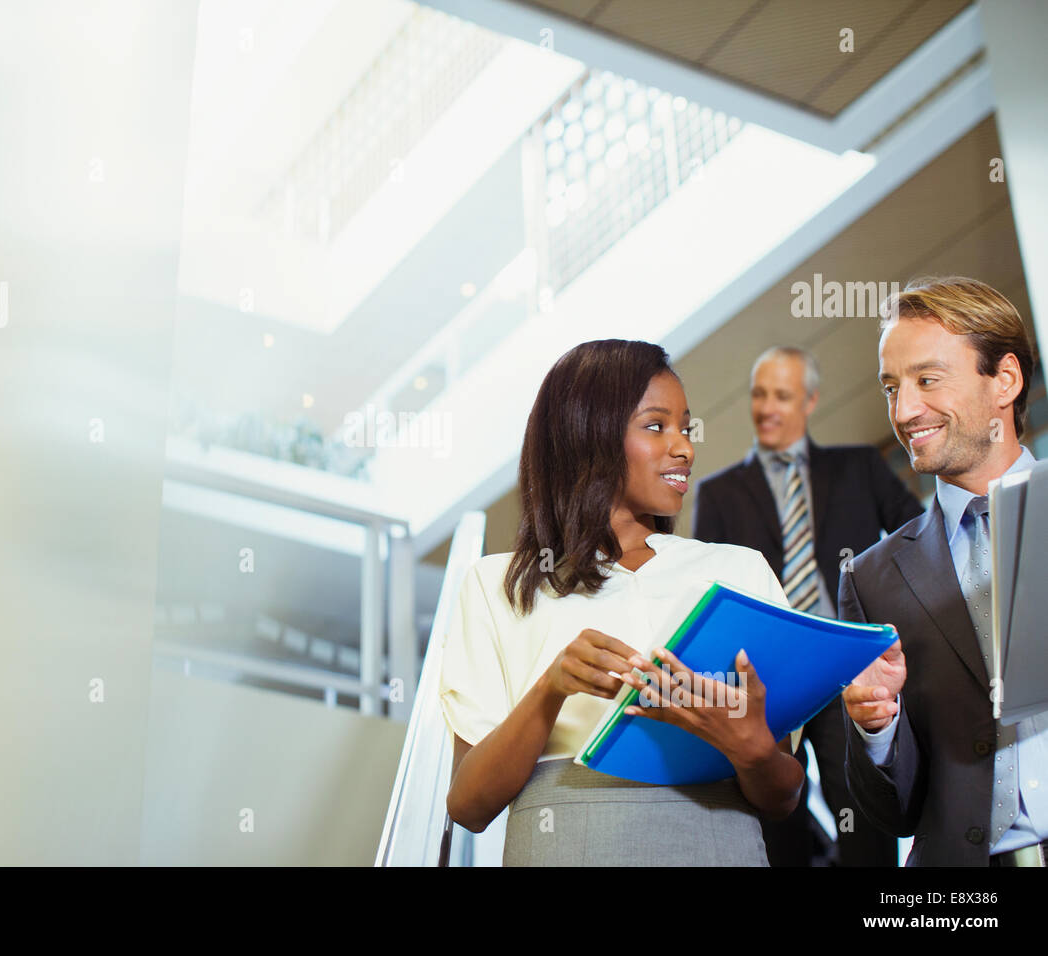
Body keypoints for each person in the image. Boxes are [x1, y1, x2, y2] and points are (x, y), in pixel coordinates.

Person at [439, 339, 804, 866]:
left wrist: (753, 750)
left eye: (685, 428)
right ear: (588, 434)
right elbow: (469, 805)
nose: (684, 448)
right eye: (656, 426)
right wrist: (551, 688)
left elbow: (783, 797)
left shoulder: (740, 572)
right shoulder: (498, 584)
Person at [841, 276, 1048, 866]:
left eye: (927, 380)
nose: (904, 411)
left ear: (1005, 379)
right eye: (891, 388)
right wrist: (877, 727)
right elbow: (894, 811)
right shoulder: (871, 579)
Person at [692, 346, 922, 866]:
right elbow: (709, 598)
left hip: (844, 666)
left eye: (781, 395)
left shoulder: (858, 466)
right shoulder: (719, 493)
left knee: (865, 818)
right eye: (759, 394)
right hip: (768, 680)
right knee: (779, 826)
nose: (766, 407)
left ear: (810, 401)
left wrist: (887, 631)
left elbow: (916, 537)